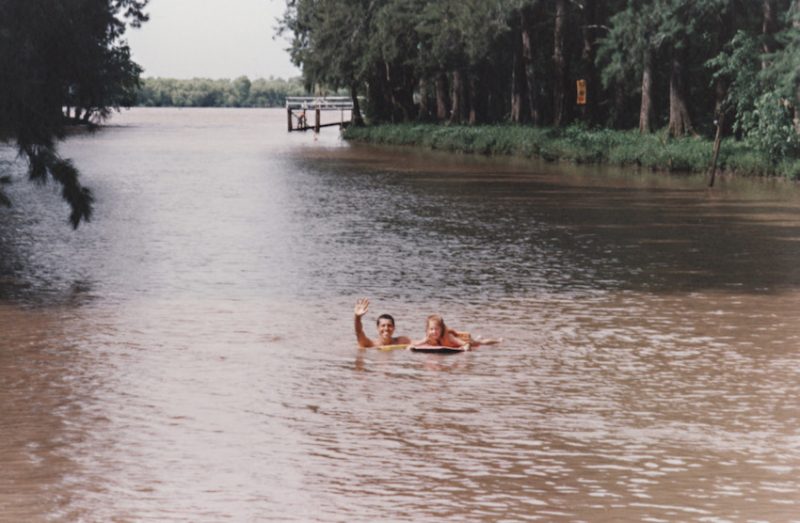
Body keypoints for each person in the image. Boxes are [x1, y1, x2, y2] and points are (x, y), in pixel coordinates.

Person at [408, 314, 503, 350]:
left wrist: (465, 348)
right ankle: (479, 337)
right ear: (427, 330)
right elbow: (416, 344)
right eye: (431, 329)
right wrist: (411, 347)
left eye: (437, 329)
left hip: (462, 339)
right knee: (477, 340)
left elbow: (465, 344)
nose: (434, 332)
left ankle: (498, 341)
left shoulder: (449, 337)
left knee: (479, 343)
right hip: (452, 344)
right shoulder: (428, 338)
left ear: (441, 329)